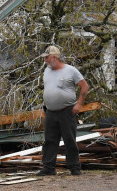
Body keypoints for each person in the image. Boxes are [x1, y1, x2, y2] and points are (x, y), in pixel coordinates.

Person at [37, 45, 90, 176]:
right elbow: (48, 89)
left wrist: (79, 105)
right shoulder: (47, 71)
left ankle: (74, 167)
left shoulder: (71, 70)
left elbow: (84, 87)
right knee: (49, 140)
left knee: (69, 139)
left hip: (67, 111)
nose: (45, 60)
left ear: (54, 57)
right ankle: (48, 168)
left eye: (47, 58)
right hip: (50, 112)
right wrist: (45, 107)